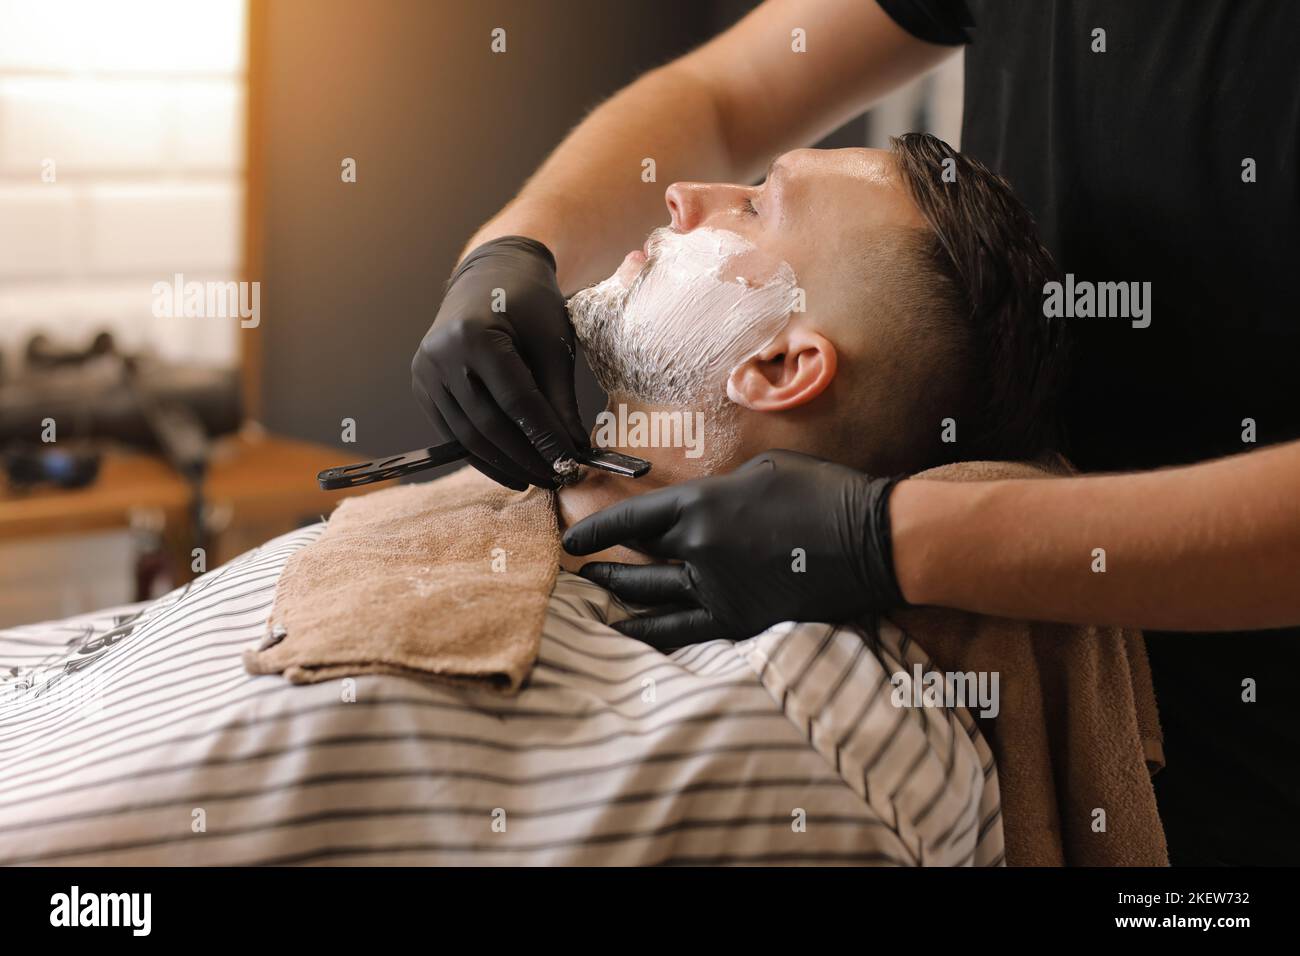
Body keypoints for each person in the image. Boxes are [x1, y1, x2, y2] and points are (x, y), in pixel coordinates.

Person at [410, 0, 1300, 865]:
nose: (679, 197)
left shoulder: (813, 736)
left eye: (757, 206)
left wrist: (889, 535)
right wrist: (513, 247)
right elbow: (722, 98)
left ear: (785, 365)